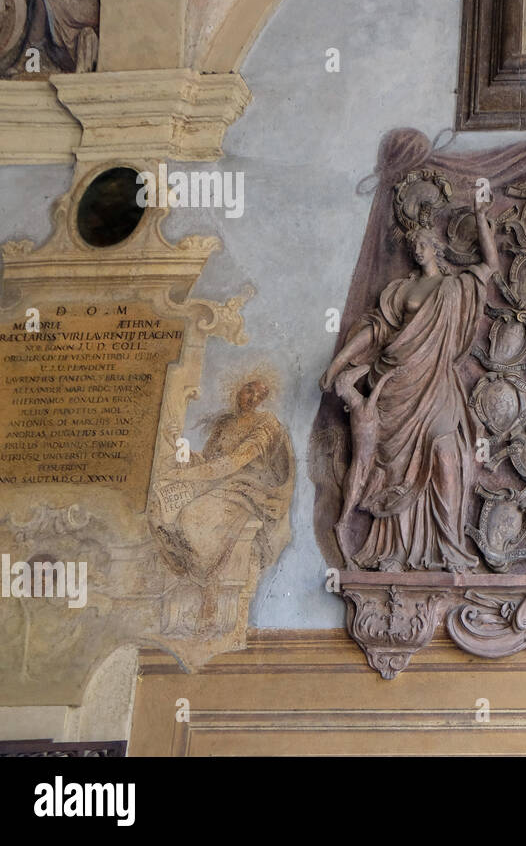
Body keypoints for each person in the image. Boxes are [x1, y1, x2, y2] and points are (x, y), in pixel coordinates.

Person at [320, 204, 499, 571]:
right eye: (413, 245)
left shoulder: (455, 286)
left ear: (436, 247)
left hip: (439, 386)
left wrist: (481, 218)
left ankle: (448, 546)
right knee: (399, 468)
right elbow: (376, 330)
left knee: (447, 456)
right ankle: (398, 551)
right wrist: (338, 363)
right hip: (398, 387)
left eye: (423, 243)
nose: (417, 250)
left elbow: (490, 266)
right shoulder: (401, 290)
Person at [151, 377, 294, 631]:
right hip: (214, 483)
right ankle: (181, 571)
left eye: (259, 395)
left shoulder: (266, 424)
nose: (252, 397)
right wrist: (177, 444)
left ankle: (209, 590)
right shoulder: (225, 424)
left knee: (193, 514)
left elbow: (233, 464)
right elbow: (206, 461)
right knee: (160, 502)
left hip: (245, 489)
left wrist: (185, 476)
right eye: (249, 389)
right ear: (237, 388)